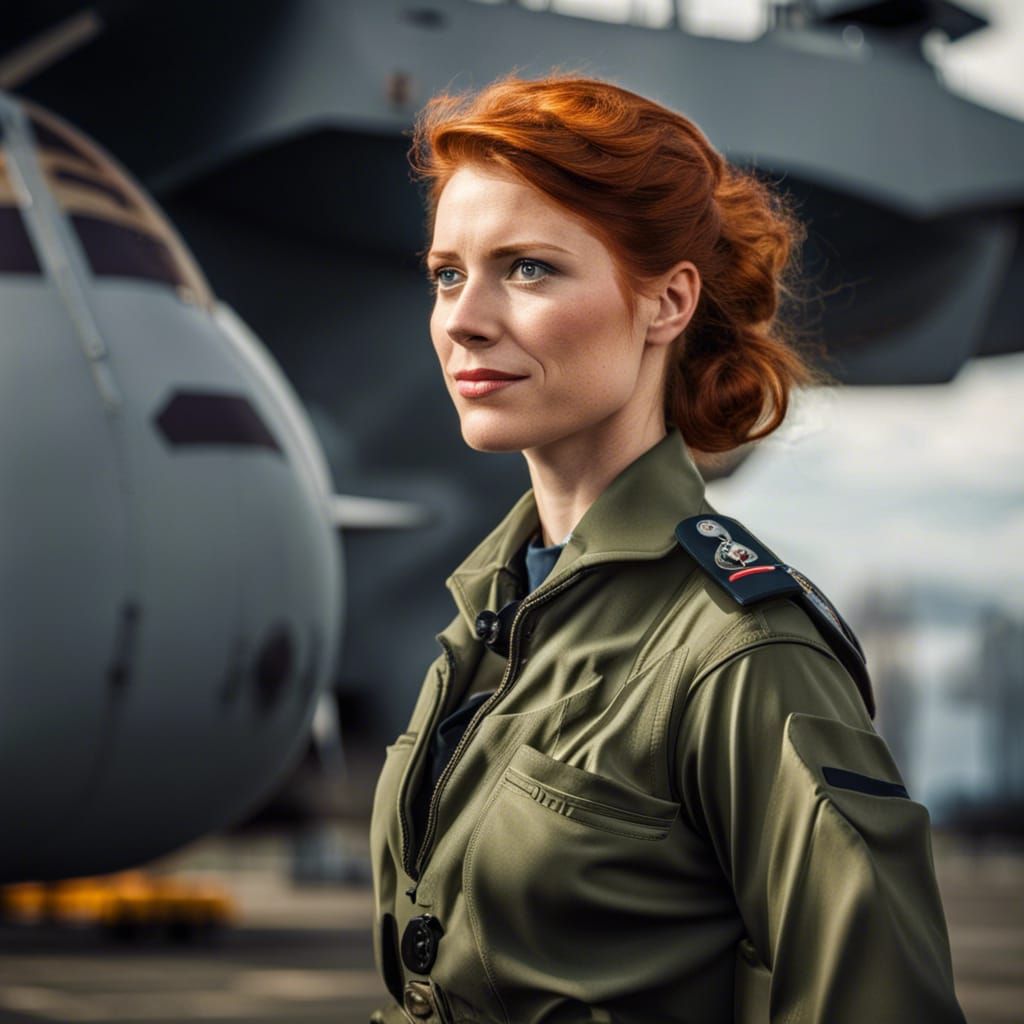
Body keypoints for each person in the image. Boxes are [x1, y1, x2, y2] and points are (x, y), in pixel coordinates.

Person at [369, 74, 965, 1024]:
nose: (463, 319)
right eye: (448, 273)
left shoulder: (741, 651)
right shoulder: (493, 612)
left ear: (667, 303)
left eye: (528, 269)